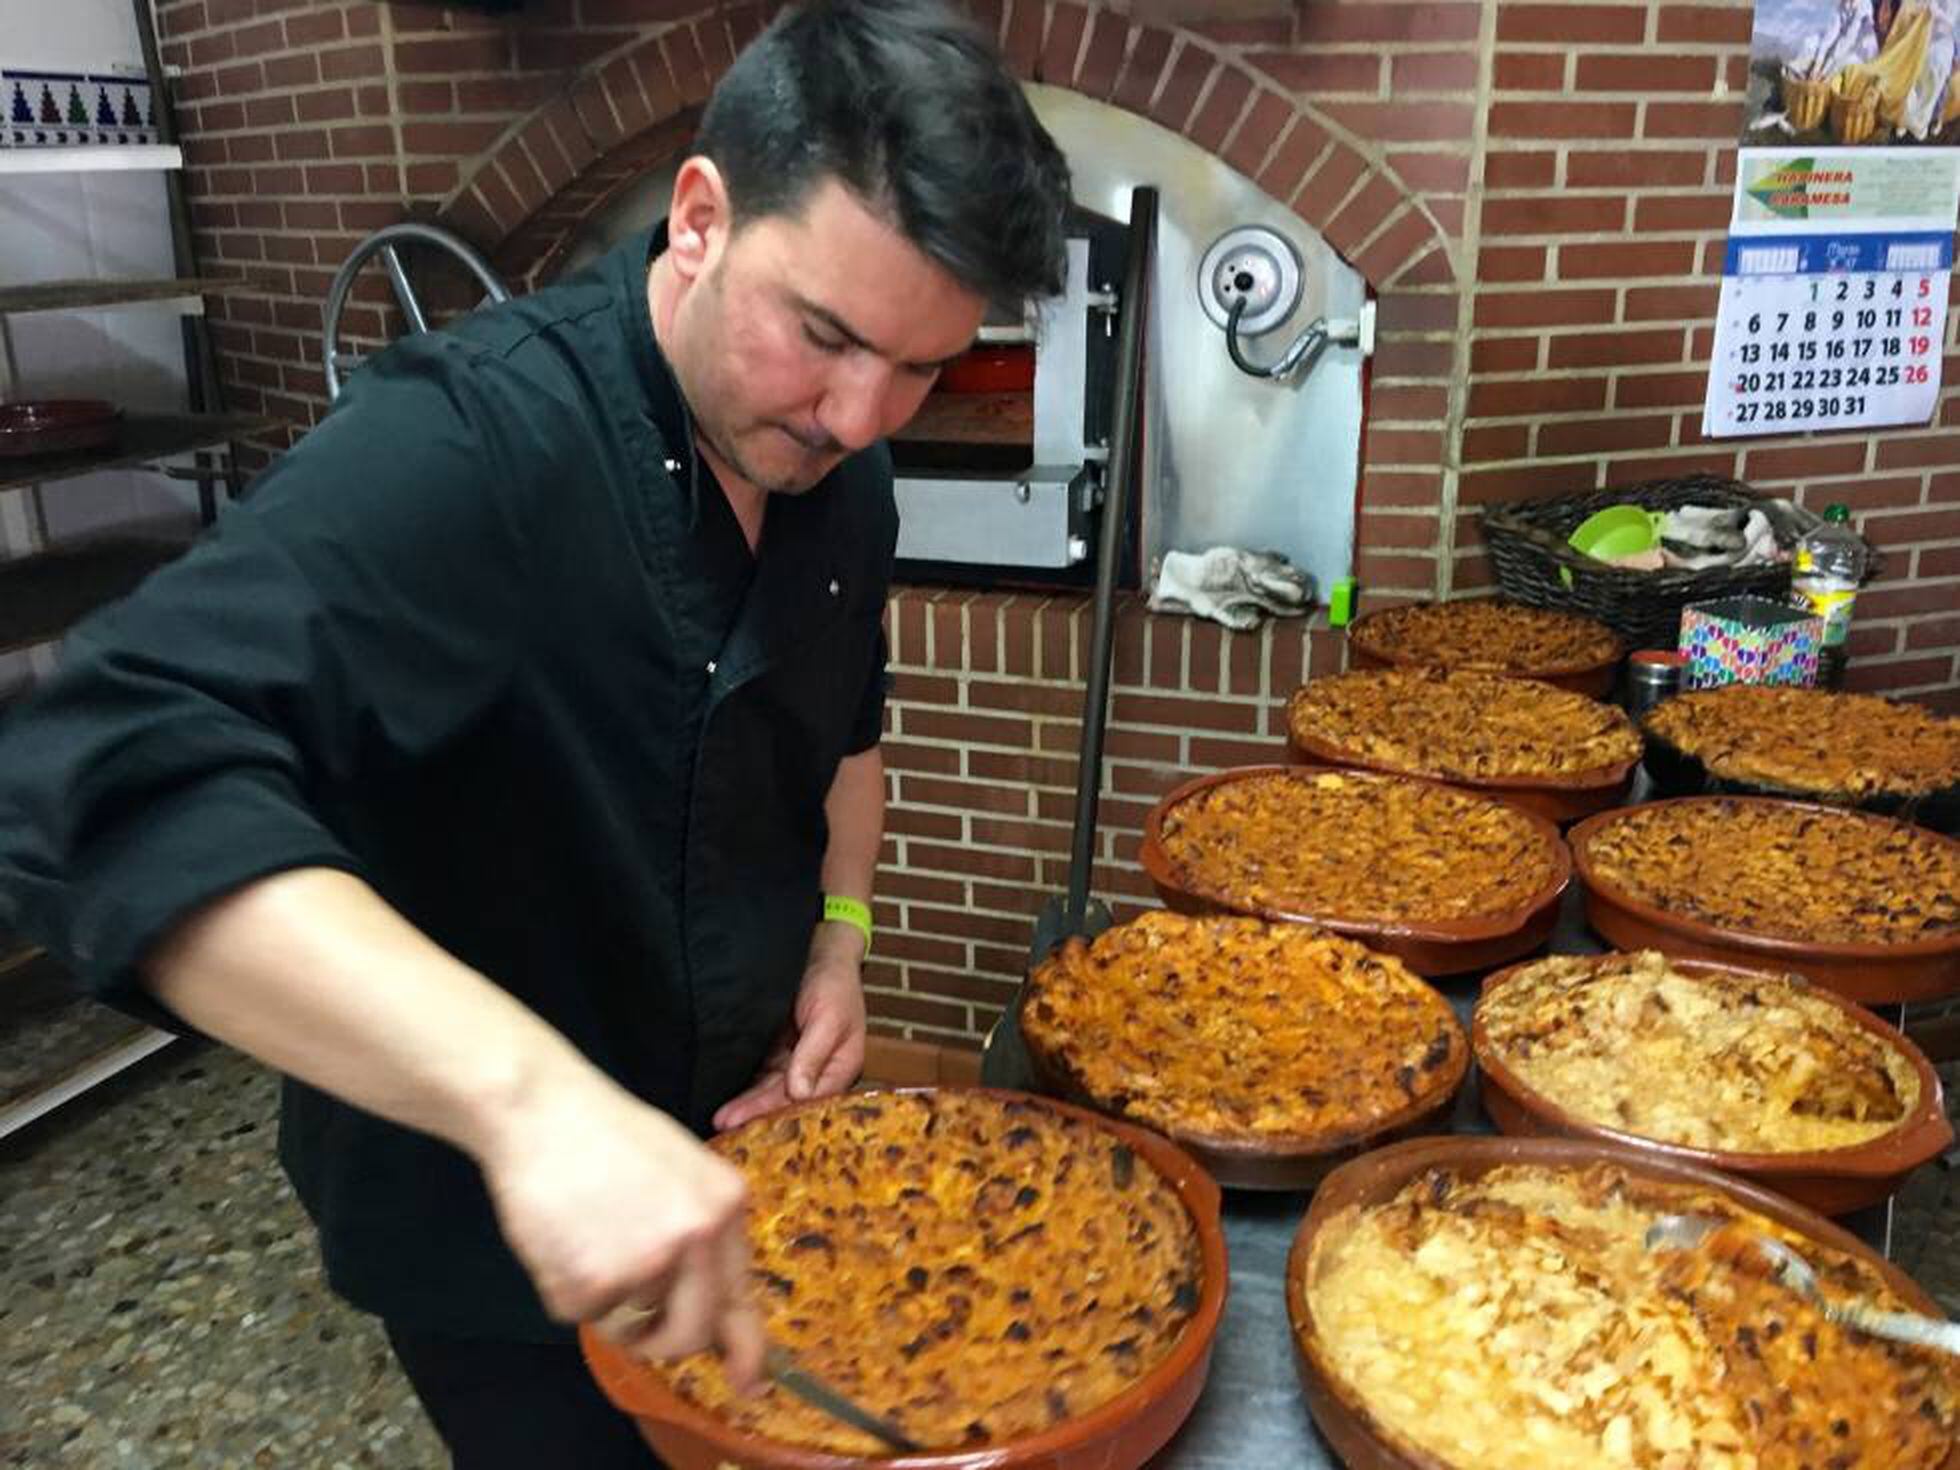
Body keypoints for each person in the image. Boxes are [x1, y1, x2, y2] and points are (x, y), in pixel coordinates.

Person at [0, 1, 1071, 1463]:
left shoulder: (845, 474)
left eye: (923, 369)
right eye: (823, 334)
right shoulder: (467, 446)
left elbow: (844, 727)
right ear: (699, 216)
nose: (861, 416)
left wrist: (839, 933)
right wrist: (534, 1106)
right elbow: (93, 769)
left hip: (732, 1152)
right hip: (486, 1213)